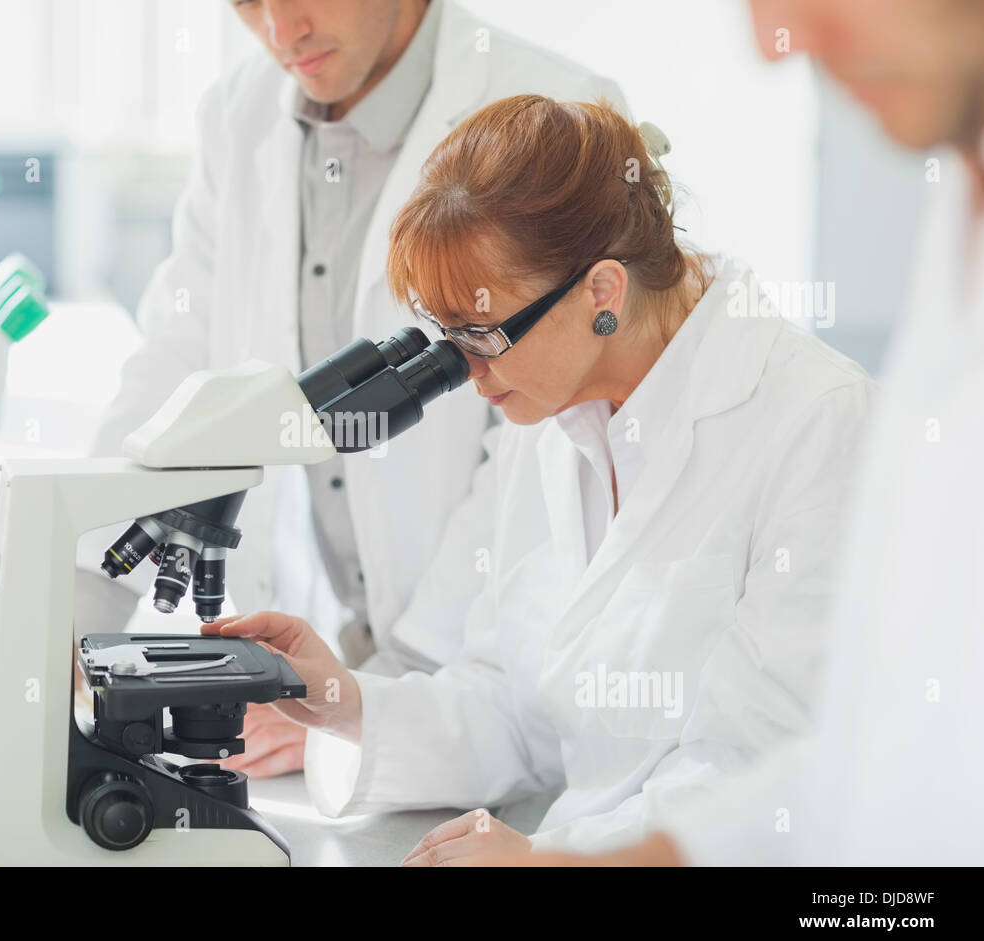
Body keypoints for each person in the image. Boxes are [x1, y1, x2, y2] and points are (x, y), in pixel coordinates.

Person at [0, 0, 625, 783]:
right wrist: (53, 653)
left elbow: (529, 452)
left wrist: (376, 713)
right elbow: (174, 376)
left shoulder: (561, 117)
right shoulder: (240, 114)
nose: (282, 30)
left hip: (475, 689)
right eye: (246, 2)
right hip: (337, 668)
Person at [202, 93, 876, 860]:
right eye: (449, 336)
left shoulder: (819, 422)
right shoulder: (550, 417)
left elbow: (766, 775)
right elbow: (522, 711)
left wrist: (552, 862)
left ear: (602, 292)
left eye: (484, 334)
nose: (469, 372)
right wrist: (344, 702)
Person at [482, 0, 984, 868]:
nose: (775, 42)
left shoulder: (819, 412)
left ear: (602, 292)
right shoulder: (954, 236)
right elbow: (873, 758)